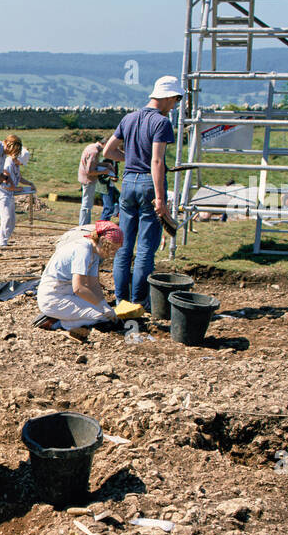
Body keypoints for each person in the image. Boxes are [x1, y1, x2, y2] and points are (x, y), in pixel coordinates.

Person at [101, 75, 180, 305]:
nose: (174, 105)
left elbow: (108, 151)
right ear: (167, 97)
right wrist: (160, 198)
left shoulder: (129, 118)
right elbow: (157, 162)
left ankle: (121, 300)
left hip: (128, 183)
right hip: (148, 183)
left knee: (124, 246)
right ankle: (138, 301)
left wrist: (129, 159)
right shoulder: (161, 123)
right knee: (146, 248)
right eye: (175, 100)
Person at [34, 222, 123, 342]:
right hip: (54, 297)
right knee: (100, 316)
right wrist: (102, 308)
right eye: (112, 248)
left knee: (102, 313)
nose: (113, 253)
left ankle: (61, 317)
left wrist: (104, 304)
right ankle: (57, 322)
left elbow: (93, 284)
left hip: (65, 293)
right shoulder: (83, 250)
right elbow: (79, 288)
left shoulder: (95, 253)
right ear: (102, 241)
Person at [0, 148, 36, 247]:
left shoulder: (15, 165)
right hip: (3, 193)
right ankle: (2, 242)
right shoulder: (8, 164)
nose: (21, 164)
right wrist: (16, 189)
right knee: (6, 217)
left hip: (9, 194)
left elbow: (19, 177)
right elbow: (4, 183)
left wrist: (29, 183)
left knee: (12, 220)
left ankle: (5, 239)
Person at [78, 138, 113, 226]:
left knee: (87, 203)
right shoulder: (94, 152)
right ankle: (83, 225)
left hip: (85, 178)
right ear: (105, 144)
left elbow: (93, 164)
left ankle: (84, 224)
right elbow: (89, 171)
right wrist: (104, 172)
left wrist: (106, 165)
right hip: (88, 179)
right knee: (87, 205)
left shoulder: (91, 146)